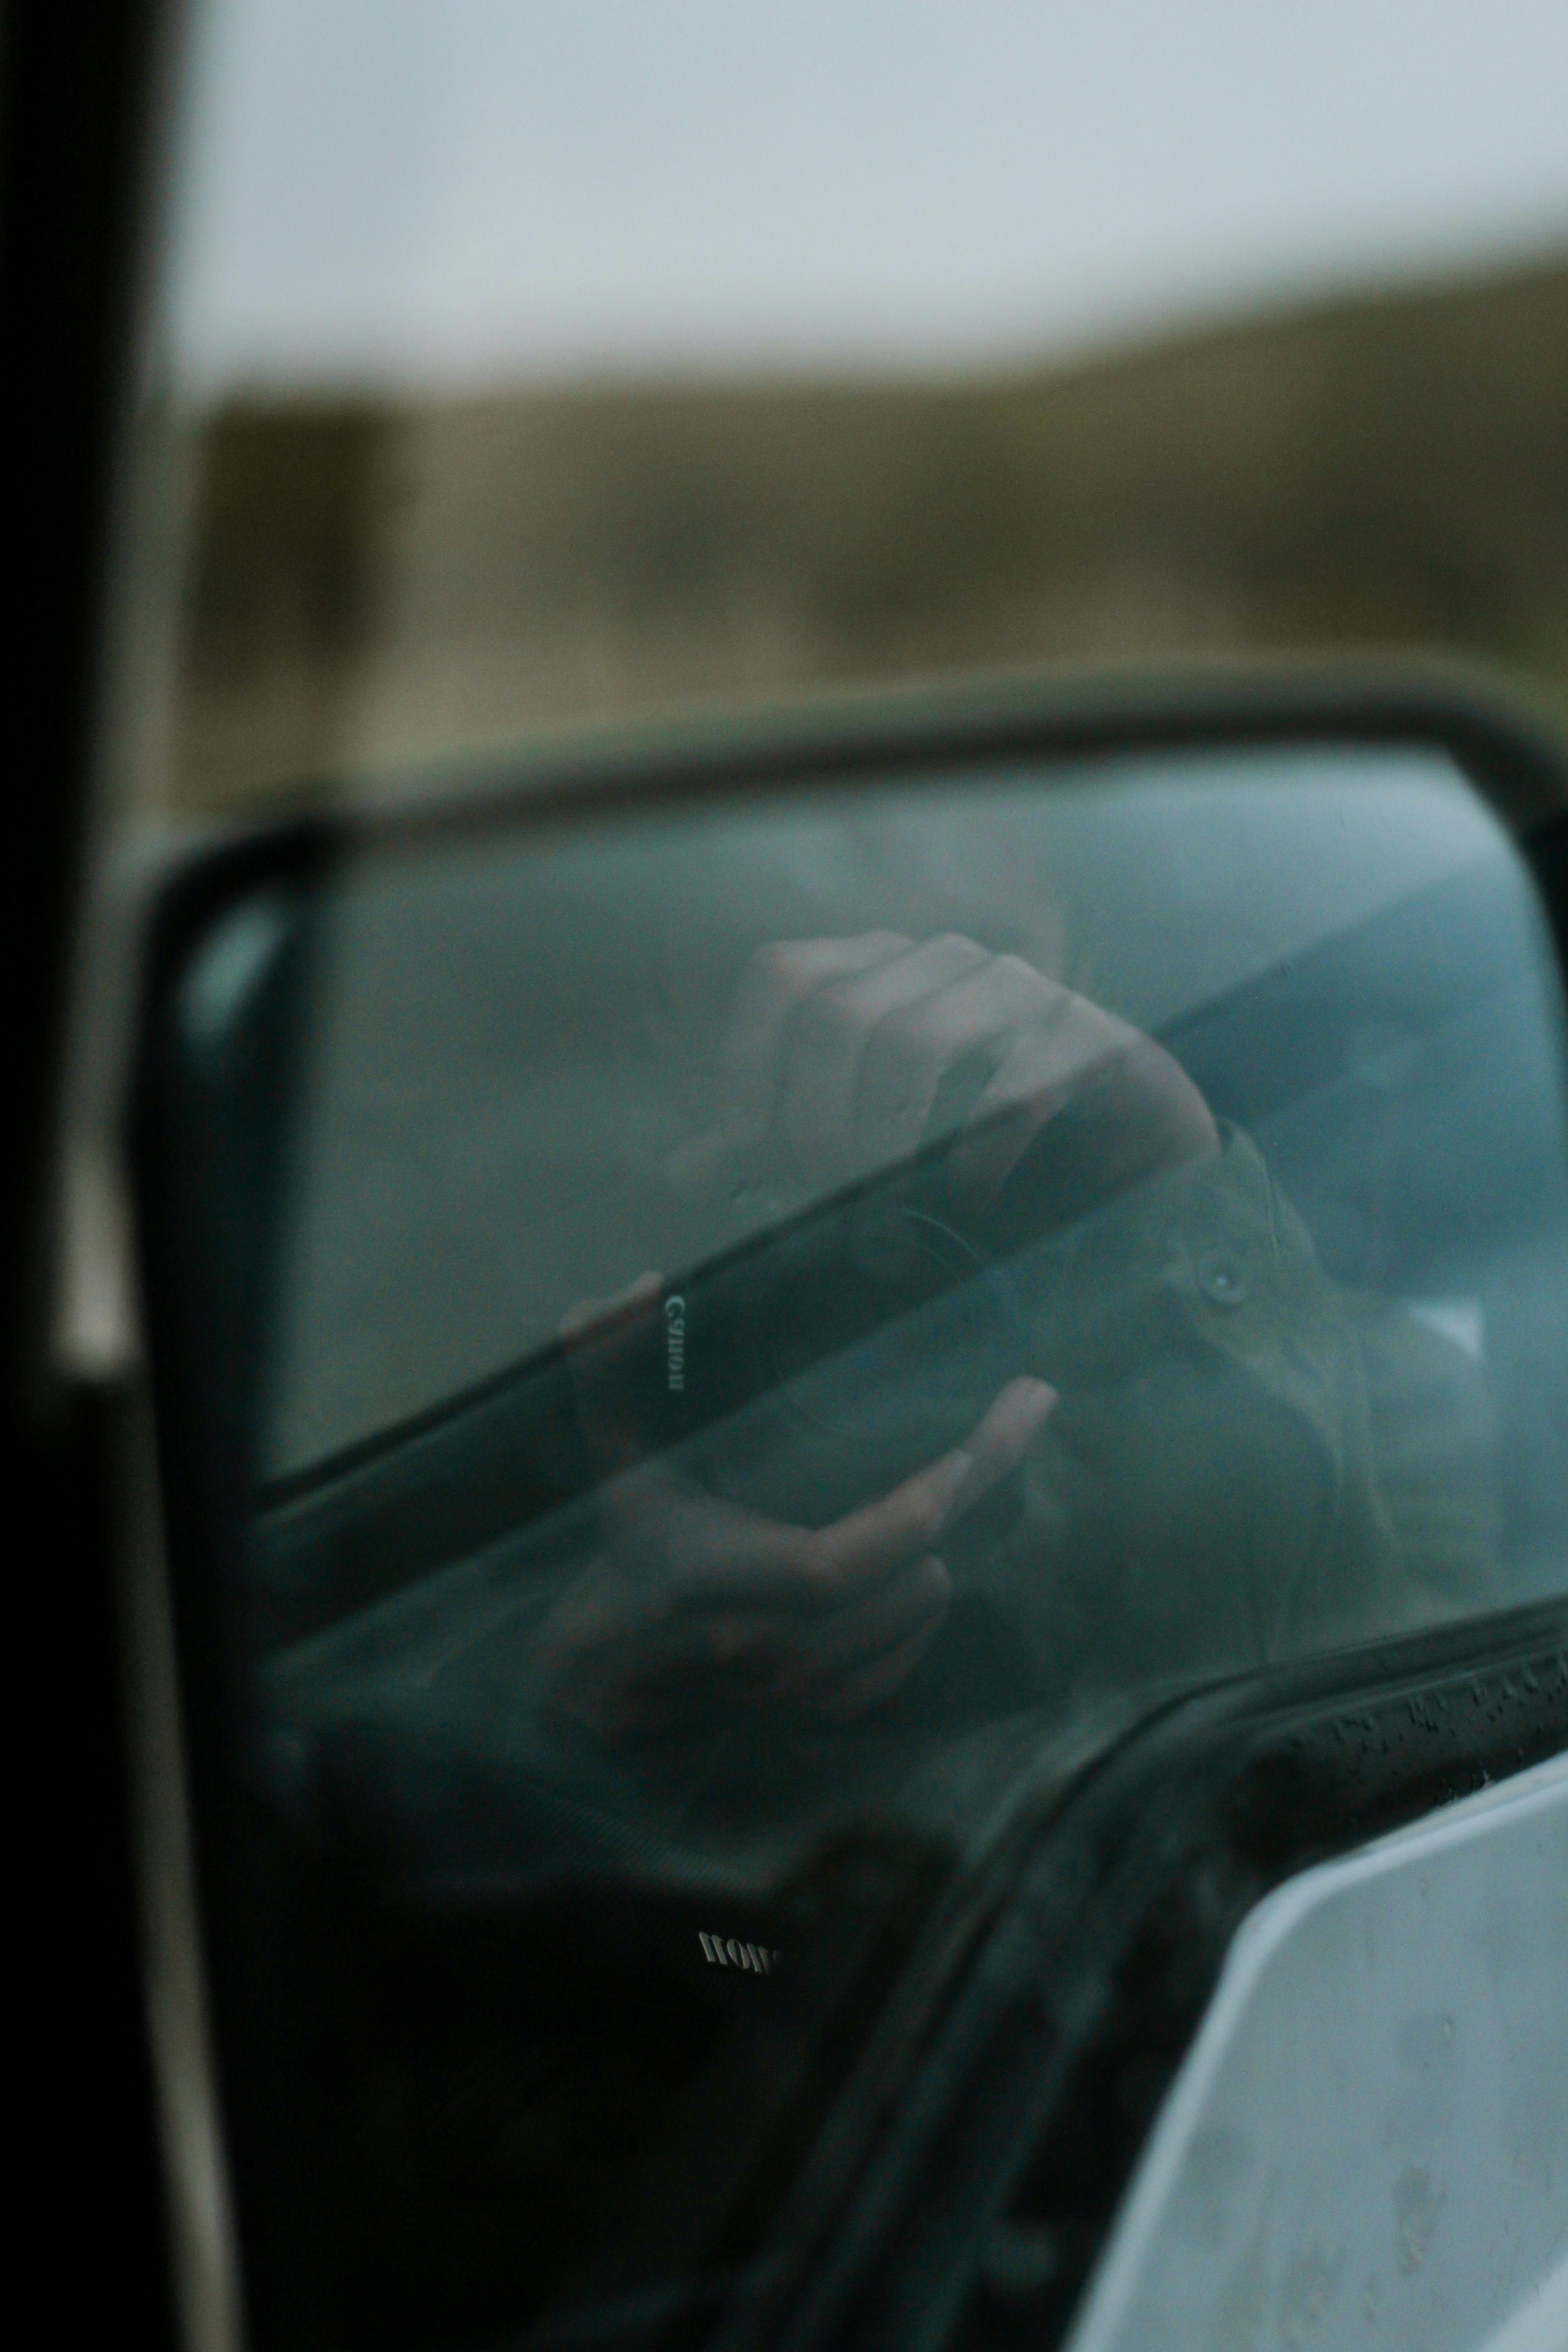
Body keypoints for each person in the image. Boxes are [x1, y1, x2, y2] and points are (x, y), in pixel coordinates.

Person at [523, 929, 1499, 1752]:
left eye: (975, 981)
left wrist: (1179, 1210)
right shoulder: (572, 1355)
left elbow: (1419, 1769)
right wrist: (584, 1677)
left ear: (1082, 976)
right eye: (819, 1016)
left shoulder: (1378, 1388)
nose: (890, 1045)